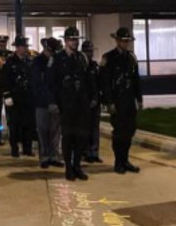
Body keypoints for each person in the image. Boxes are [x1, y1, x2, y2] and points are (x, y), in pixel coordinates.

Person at [100, 27, 144, 174]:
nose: (126, 43)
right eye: (124, 41)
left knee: (130, 130)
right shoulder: (109, 57)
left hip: (129, 100)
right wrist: (109, 102)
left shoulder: (131, 57)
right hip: (117, 101)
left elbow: (136, 80)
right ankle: (118, 162)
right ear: (117, 41)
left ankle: (125, 160)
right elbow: (105, 82)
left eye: (128, 41)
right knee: (119, 132)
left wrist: (139, 98)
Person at [54, 27, 92, 181]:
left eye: (76, 39)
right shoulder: (58, 58)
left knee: (81, 137)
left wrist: (93, 97)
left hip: (81, 104)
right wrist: (54, 103)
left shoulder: (82, 57)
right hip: (66, 104)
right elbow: (51, 83)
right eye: (71, 39)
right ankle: (68, 168)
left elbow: (89, 80)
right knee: (68, 137)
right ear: (65, 41)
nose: (74, 42)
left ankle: (77, 166)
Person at [31, 38, 63, 169]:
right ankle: (44, 157)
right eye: (51, 51)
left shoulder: (57, 61)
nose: (52, 53)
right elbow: (37, 83)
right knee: (43, 131)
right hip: (41, 103)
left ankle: (54, 156)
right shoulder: (37, 62)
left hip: (55, 102)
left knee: (55, 131)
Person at [3, 36, 36, 157]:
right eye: (23, 46)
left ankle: (27, 148)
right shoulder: (10, 62)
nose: (25, 49)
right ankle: (15, 149)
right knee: (15, 126)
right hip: (15, 98)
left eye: (26, 46)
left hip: (28, 98)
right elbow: (5, 80)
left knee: (28, 124)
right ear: (17, 48)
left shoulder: (29, 61)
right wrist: (7, 95)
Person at [81, 40, 104, 163]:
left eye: (90, 51)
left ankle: (94, 152)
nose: (89, 53)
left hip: (95, 101)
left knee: (94, 128)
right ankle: (85, 152)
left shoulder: (95, 66)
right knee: (85, 128)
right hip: (84, 102)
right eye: (87, 51)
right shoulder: (80, 66)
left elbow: (99, 83)